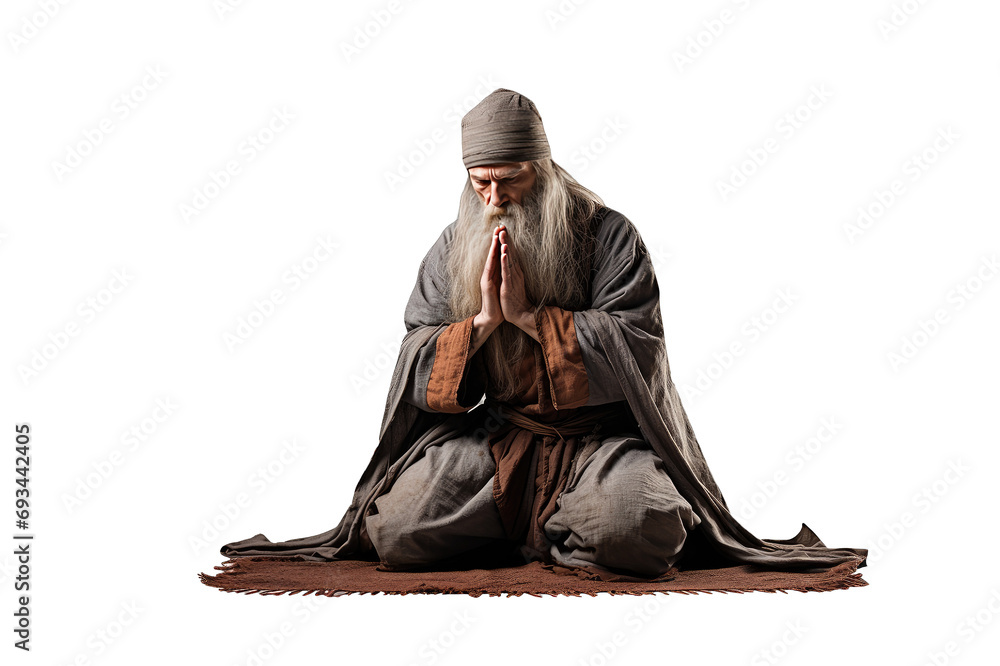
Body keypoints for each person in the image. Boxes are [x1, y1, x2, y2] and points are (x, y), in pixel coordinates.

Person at [217, 88, 867, 581]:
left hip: (601, 444)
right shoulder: (453, 247)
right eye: (482, 184)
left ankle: (551, 520)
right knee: (397, 531)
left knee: (639, 528)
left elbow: (637, 349)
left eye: (511, 179)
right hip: (499, 443)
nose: (496, 199)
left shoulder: (609, 236)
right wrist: (479, 327)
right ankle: (543, 527)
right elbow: (418, 348)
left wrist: (531, 320)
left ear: (543, 167)